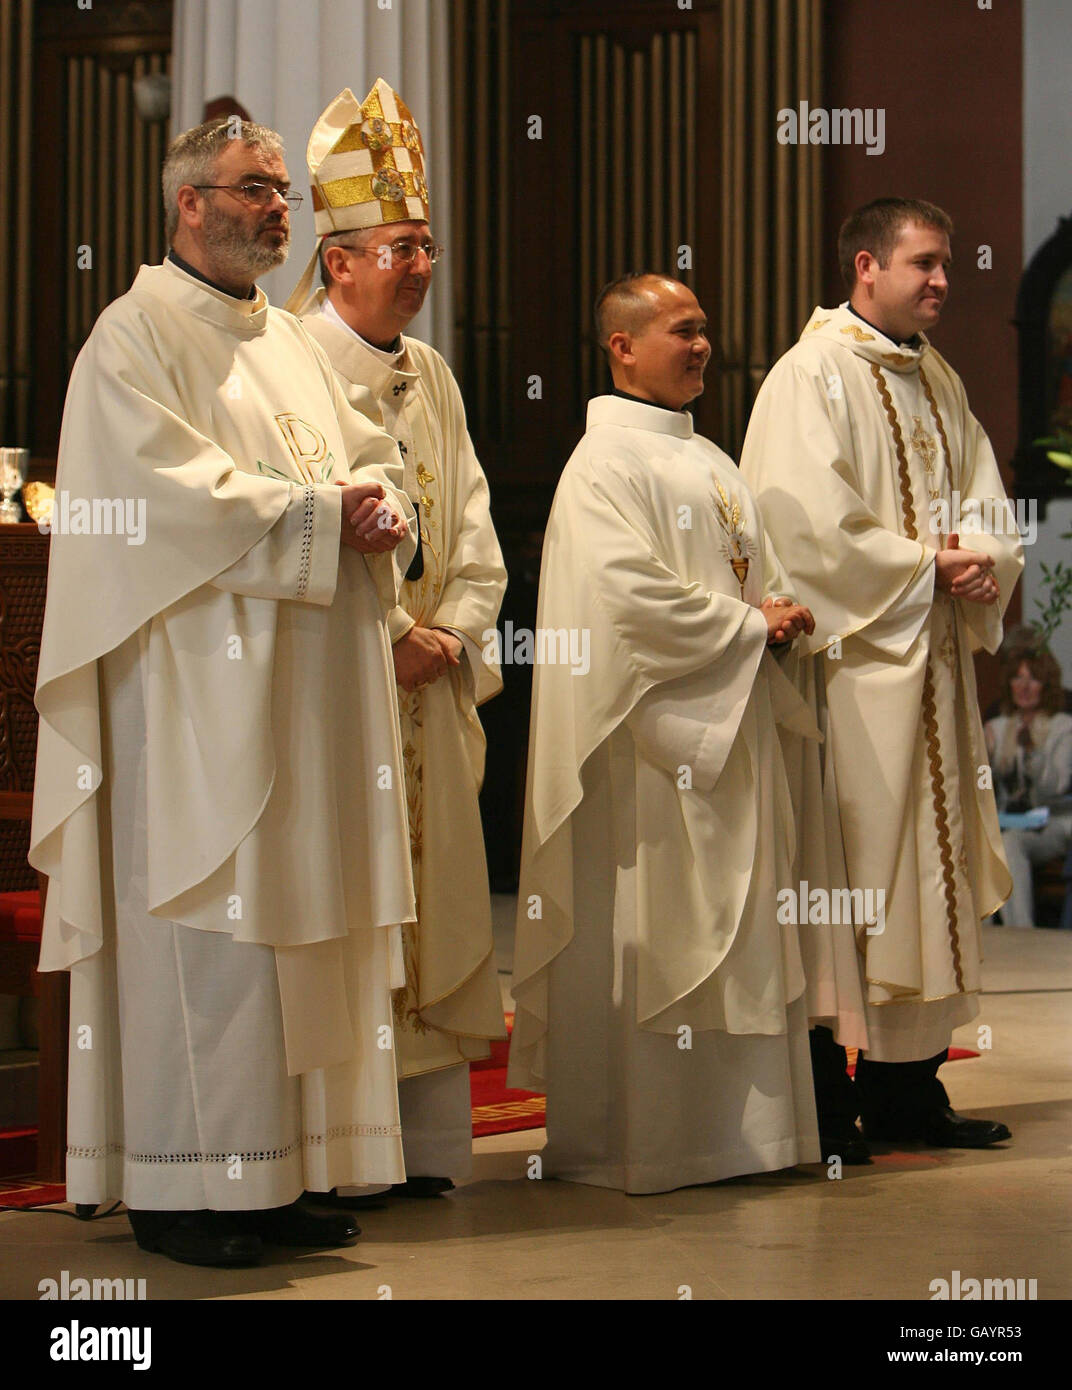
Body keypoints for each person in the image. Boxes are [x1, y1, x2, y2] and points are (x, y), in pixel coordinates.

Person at [30, 116, 418, 1268]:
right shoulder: (132, 335)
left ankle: (271, 1170)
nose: (279, 210)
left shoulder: (288, 340)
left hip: (297, 688)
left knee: (291, 930)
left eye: (283, 192)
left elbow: (362, 451)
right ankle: (181, 1186)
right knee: (207, 929)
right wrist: (314, 516)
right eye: (254, 190)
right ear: (189, 202)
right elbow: (156, 496)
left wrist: (382, 502)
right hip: (193, 696)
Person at [507, 272, 822, 1194]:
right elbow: (625, 603)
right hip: (650, 751)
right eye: (682, 331)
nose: (701, 347)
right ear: (622, 346)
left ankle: (748, 1138)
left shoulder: (715, 460)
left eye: (704, 331)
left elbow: (745, 576)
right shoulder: (602, 465)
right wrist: (745, 626)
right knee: (658, 925)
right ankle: (645, 1145)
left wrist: (774, 613)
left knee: (743, 925)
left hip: (733, 734)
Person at [740, 197, 1024, 1155]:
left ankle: (909, 1091)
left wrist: (983, 554)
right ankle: (827, 1098)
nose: (943, 280)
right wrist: (928, 565)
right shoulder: (808, 376)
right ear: (867, 266)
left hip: (931, 670)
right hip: (853, 674)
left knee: (925, 883)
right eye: (926, 264)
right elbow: (803, 526)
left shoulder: (938, 380)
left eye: (946, 264)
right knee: (848, 880)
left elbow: (985, 489)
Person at [287, 83, 508, 1199]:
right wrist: (386, 643)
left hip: (426, 689)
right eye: (399, 248)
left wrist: (450, 634)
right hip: (345, 701)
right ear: (337, 262)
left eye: (427, 247)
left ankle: (416, 1157)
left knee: (435, 923)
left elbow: (472, 528)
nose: (420, 267)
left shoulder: (437, 376)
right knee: (351, 926)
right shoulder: (286, 365)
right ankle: (339, 1160)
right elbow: (293, 528)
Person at [985, 639, 1072, 926]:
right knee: (979, 839)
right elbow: (984, 788)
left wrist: (1033, 753)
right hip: (1007, 820)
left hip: (1053, 823)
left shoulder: (1062, 727)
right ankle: (975, 934)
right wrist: (981, 753)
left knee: (1010, 843)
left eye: (1032, 678)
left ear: (1046, 685)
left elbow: (1055, 788)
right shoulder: (998, 727)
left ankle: (1020, 932)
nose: (1024, 686)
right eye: (1017, 677)